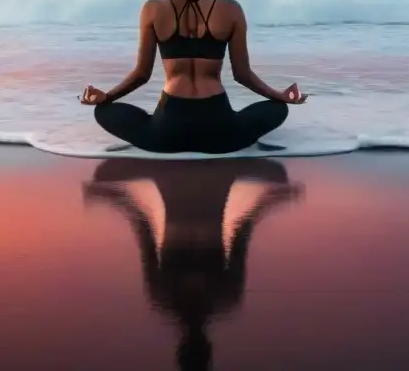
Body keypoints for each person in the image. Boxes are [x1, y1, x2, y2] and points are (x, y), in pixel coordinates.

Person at [80, 0, 308, 154]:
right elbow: (242, 75)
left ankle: (160, 135)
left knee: (104, 111)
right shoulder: (231, 10)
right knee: (277, 109)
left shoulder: (153, 10)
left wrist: (107, 96)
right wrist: (279, 95)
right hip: (219, 129)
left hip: (167, 131)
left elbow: (141, 75)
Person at [83, 158, 304, 371]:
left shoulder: (169, 297)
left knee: (106, 169)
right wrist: (275, 197)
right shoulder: (220, 297)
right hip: (210, 170)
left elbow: (142, 225)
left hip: (173, 168)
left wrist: (110, 195)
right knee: (276, 172)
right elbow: (243, 230)